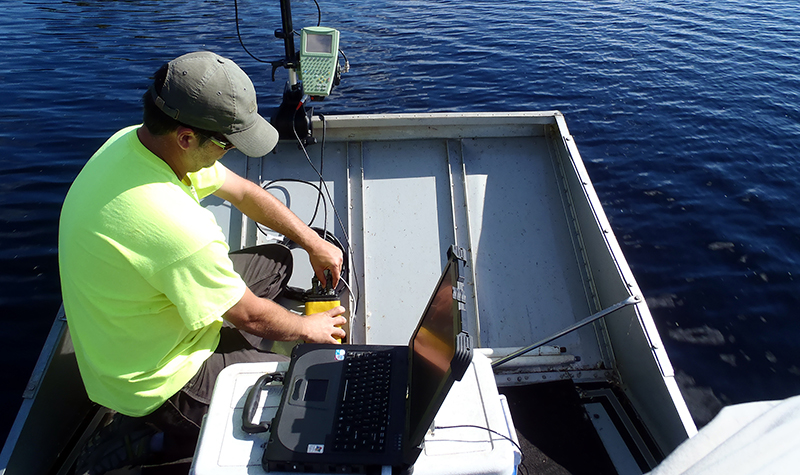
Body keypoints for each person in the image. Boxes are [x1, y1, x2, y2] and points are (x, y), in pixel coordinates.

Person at [58, 51, 346, 472]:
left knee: (278, 259)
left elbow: (244, 192)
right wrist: (308, 327)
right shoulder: (176, 227)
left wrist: (310, 242)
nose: (228, 154)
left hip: (143, 323)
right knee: (303, 393)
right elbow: (251, 317)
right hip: (155, 381)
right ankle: (150, 445)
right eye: (226, 144)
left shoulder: (135, 143)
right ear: (187, 138)